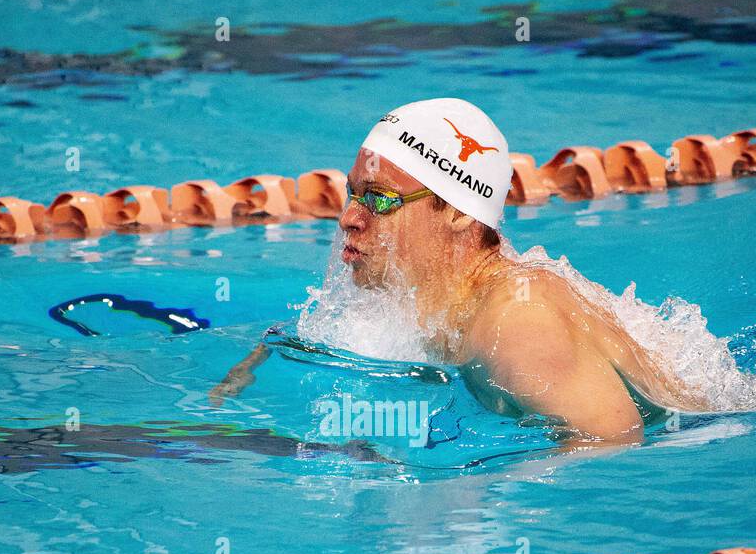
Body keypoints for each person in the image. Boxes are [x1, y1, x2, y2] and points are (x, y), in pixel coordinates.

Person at [211, 97, 712, 444]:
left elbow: (613, 438)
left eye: (379, 199)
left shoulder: (517, 323)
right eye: (352, 193)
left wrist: (481, 481)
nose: (348, 218)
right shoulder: (417, 298)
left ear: (458, 213)